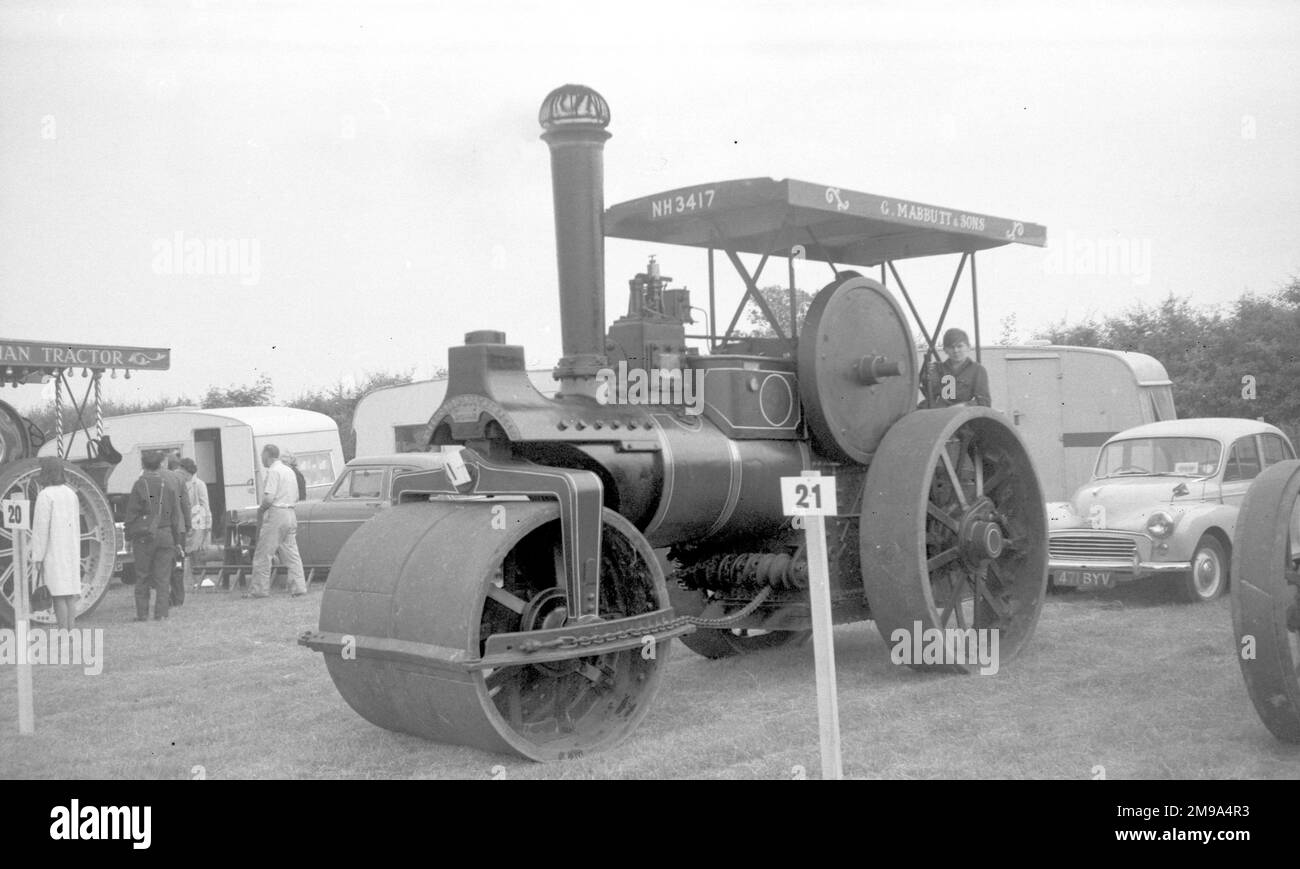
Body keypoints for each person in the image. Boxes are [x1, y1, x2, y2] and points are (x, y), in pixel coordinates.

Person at [125, 451, 184, 621]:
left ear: (143, 465)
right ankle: (162, 613)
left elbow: (131, 514)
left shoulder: (139, 484)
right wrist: (177, 540)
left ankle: (142, 614)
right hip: (166, 534)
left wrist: (128, 536)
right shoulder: (169, 484)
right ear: (160, 465)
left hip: (144, 535)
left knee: (142, 575)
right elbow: (175, 515)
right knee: (163, 577)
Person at [247, 444, 307, 599]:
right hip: (291, 513)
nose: (261, 459)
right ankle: (299, 586)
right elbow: (297, 496)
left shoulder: (273, 471)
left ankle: (259, 589)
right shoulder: (289, 471)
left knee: (263, 553)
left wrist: (261, 510)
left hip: (277, 513)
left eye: (262, 456)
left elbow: (269, 498)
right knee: (292, 553)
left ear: (267, 455)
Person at [29, 457, 81, 632]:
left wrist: (38, 556)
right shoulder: (71, 493)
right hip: (71, 548)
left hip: (54, 549)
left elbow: (40, 529)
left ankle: (63, 631)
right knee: (70, 594)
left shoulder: (45, 495)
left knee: (58, 594)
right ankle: (71, 630)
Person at [923, 328, 992, 408]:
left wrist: (964, 406)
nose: (956, 350)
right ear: (945, 350)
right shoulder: (937, 369)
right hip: (940, 413)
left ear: (968, 347)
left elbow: (984, 402)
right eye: (951, 347)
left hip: (964, 415)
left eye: (960, 346)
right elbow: (930, 395)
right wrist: (926, 377)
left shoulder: (977, 370)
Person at [161, 452, 192, 608]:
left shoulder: (159, 478)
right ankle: (178, 598)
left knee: (164, 563)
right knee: (178, 563)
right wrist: (188, 524)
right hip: (178, 528)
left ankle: (163, 597)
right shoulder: (180, 480)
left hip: (163, 527)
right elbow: (185, 504)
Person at [178, 457, 211, 590]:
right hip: (184, 521)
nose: (180, 473)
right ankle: (189, 581)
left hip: (198, 521)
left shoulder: (199, 484)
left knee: (197, 552)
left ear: (188, 471)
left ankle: (201, 579)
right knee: (185, 552)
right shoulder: (179, 483)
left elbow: (205, 506)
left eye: (182, 471)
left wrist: (207, 525)